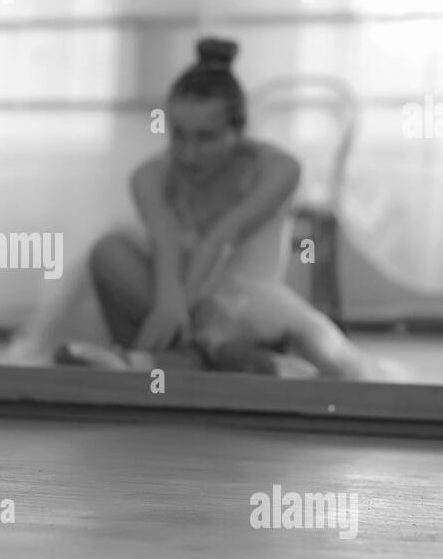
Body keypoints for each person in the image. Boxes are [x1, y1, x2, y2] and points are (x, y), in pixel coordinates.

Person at [63, 38, 386, 380]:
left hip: (248, 304)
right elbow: (164, 242)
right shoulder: (150, 175)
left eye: (206, 138)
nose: (189, 153)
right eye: (179, 136)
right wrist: (169, 304)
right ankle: (204, 356)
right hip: (166, 291)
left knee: (219, 313)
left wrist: (180, 308)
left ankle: (162, 360)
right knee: (108, 252)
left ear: (239, 131)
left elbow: (221, 238)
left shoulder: (277, 169)